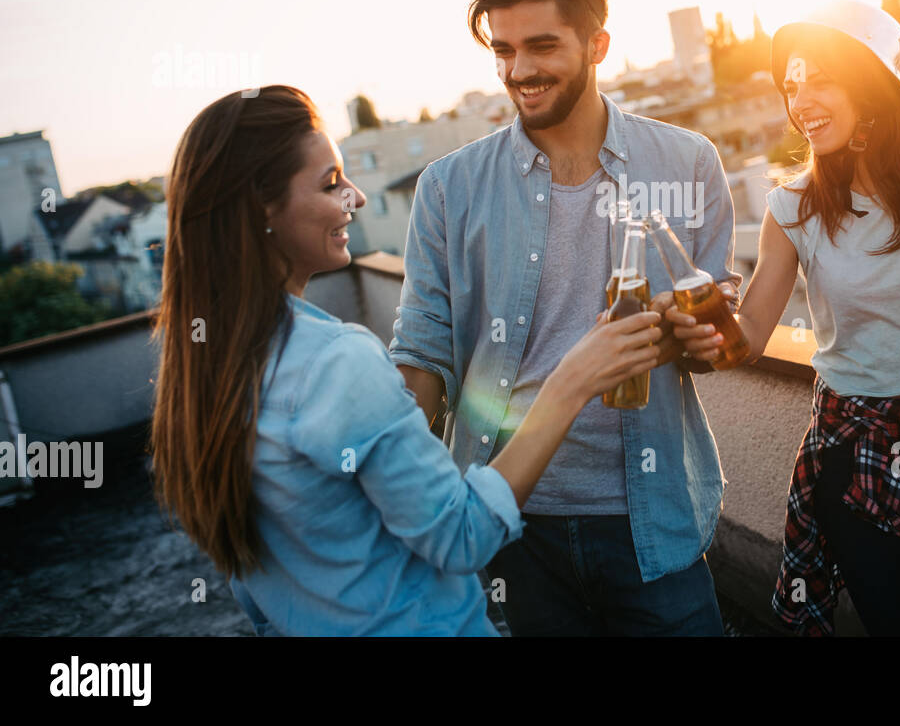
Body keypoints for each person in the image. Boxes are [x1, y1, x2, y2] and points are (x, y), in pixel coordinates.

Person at [149, 85, 662, 635]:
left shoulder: (206, 376)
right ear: (261, 210)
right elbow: (462, 536)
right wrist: (570, 382)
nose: (356, 198)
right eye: (330, 184)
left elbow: (256, 593)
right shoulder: (334, 363)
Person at [389, 0, 739, 636]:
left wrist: (705, 337)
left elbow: (717, 340)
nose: (520, 71)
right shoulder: (448, 188)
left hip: (653, 521)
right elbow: (423, 357)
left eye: (542, 46)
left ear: (598, 43)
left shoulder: (689, 161)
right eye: (503, 50)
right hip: (509, 526)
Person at [670, 0, 900, 635]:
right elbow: (748, 340)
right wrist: (702, 327)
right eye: (792, 84)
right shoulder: (791, 207)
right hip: (852, 449)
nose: (801, 101)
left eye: (820, 79)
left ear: (872, 80)